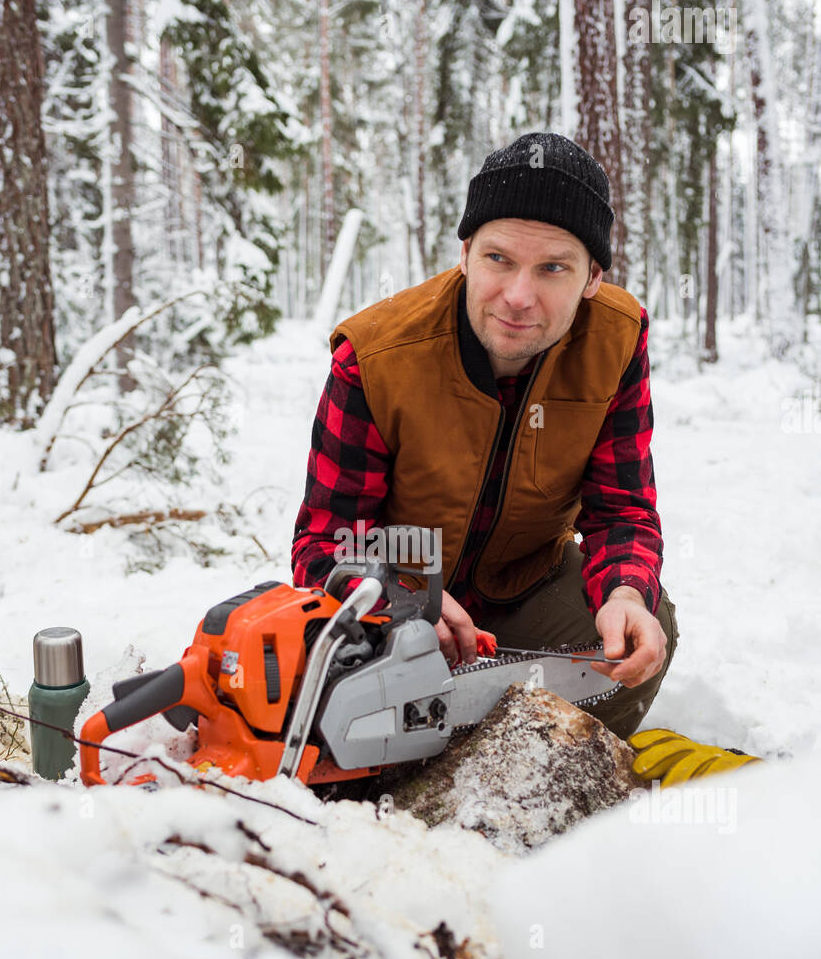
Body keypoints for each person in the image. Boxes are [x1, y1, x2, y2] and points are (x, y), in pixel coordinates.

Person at [291, 131, 679, 740]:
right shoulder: (376, 355)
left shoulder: (617, 340)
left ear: (592, 277)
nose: (519, 297)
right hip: (401, 610)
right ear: (466, 253)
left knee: (645, 621)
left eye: (553, 267)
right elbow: (323, 541)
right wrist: (399, 595)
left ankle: (545, 779)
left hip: (528, 588)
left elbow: (622, 509)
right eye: (499, 259)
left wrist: (626, 592)